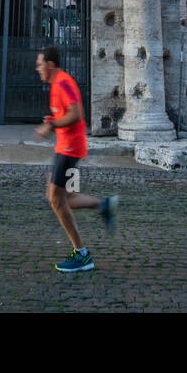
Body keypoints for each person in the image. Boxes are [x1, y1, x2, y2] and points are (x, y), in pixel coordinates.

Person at [34, 46, 118, 273]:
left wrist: (51, 124)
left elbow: (76, 114)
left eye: (40, 64)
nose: (37, 68)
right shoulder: (57, 84)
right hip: (66, 146)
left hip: (70, 148)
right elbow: (66, 114)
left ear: (50, 65)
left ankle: (82, 254)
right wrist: (53, 119)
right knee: (61, 198)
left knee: (55, 199)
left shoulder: (61, 83)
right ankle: (104, 205)